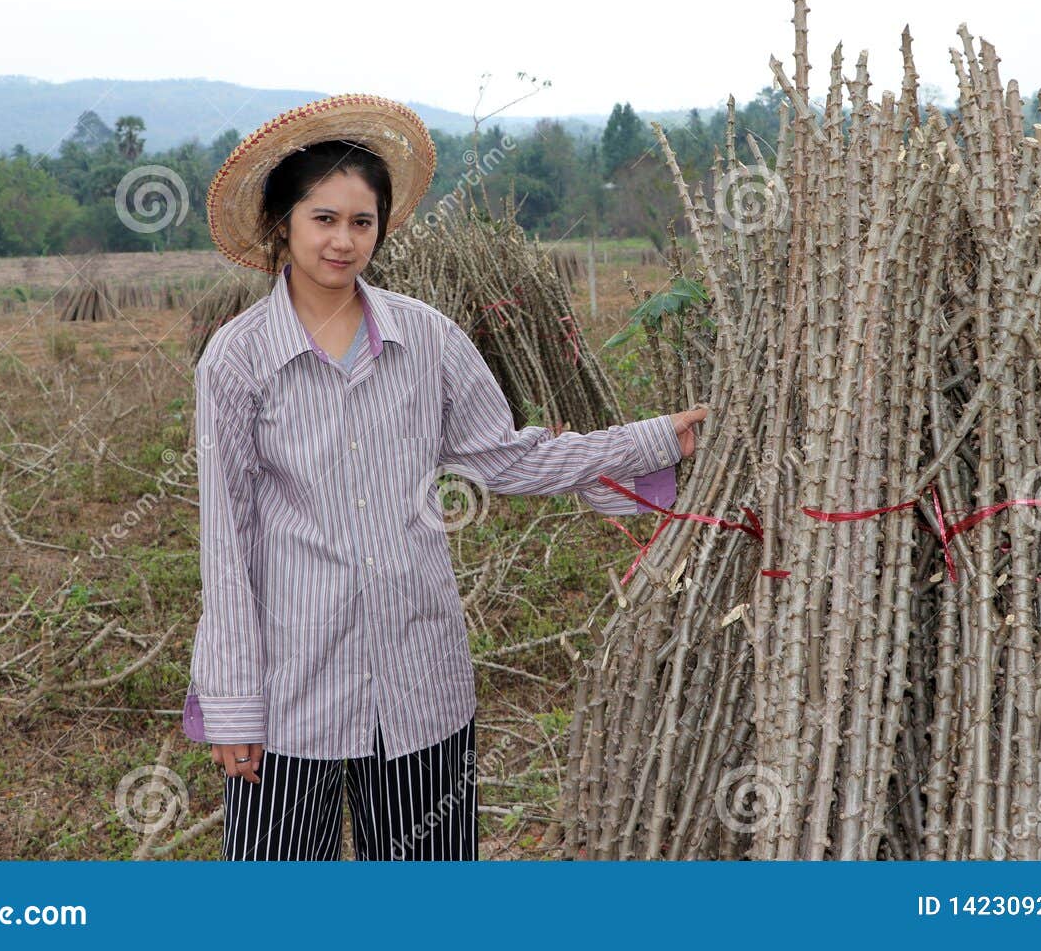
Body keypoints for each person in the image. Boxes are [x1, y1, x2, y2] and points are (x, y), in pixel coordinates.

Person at [181, 94, 709, 860]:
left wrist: (649, 440)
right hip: (293, 690)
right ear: (282, 223)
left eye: (361, 222)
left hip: (419, 683)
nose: (342, 240)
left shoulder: (427, 338)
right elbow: (225, 540)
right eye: (323, 218)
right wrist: (232, 706)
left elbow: (506, 454)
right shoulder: (237, 358)